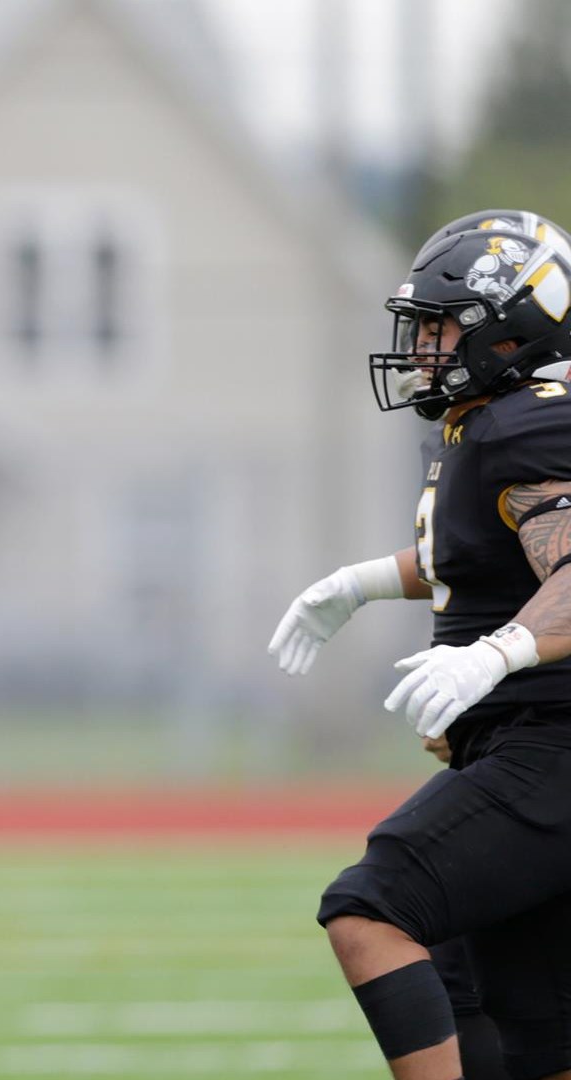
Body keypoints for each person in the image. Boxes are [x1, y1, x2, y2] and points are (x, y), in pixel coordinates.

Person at [268, 219, 571, 1080]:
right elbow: (480, 553)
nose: (422, 350)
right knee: (532, 1031)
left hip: (549, 750)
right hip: (525, 748)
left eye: (441, 328)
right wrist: (360, 582)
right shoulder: (493, 423)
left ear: (509, 331)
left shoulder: (527, 428)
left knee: (371, 908)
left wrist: (496, 654)